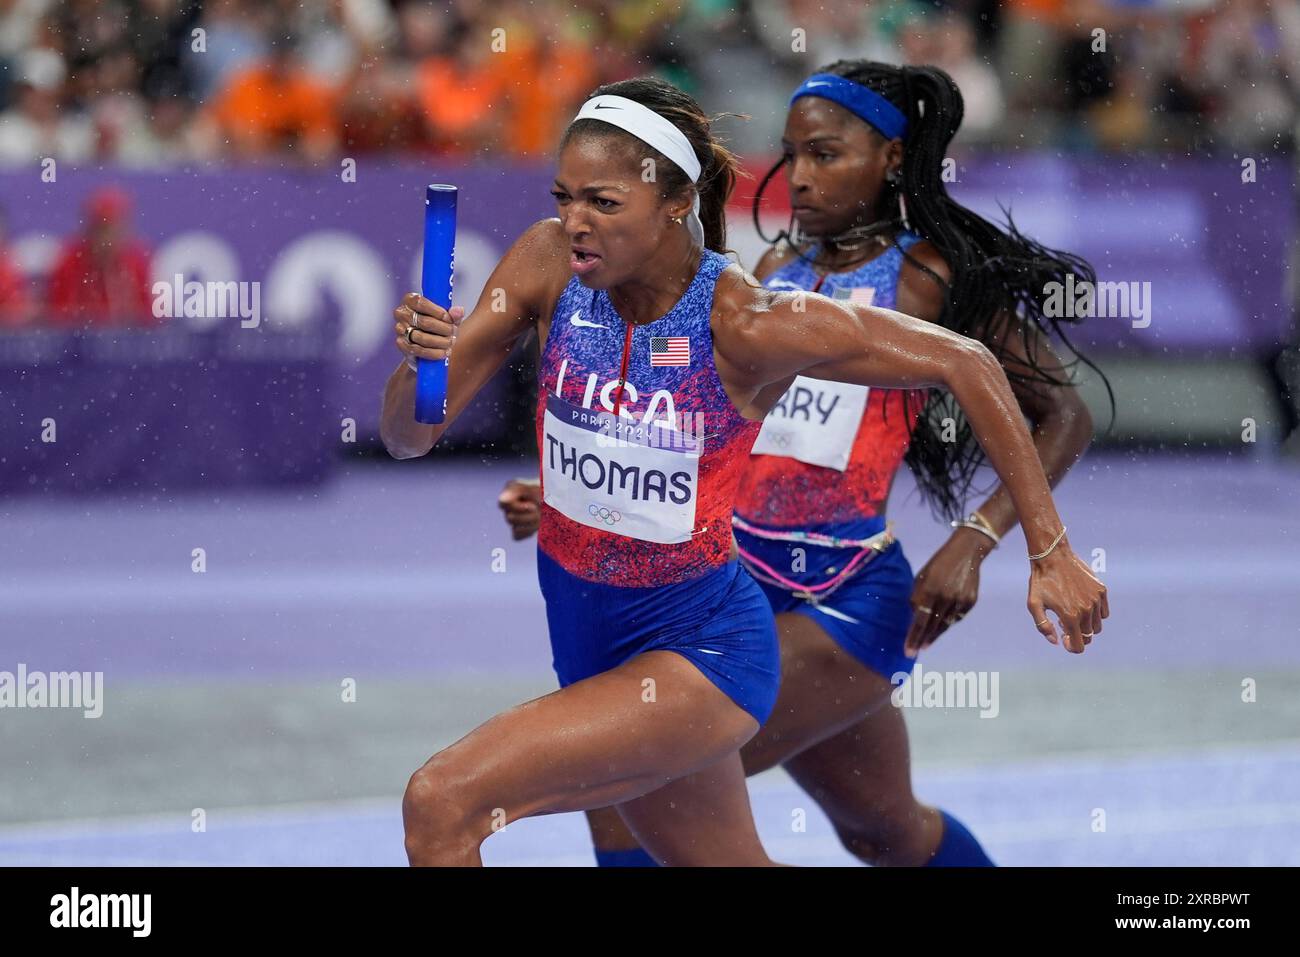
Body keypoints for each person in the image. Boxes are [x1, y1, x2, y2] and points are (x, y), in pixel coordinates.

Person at [385, 75, 1108, 867]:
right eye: (564, 197)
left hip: (759, 629)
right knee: (879, 830)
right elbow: (411, 437)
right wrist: (427, 374)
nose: (574, 222)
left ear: (674, 200)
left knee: (446, 800)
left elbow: (975, 364)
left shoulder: (766, 315)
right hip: (677, 600)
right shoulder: (569, 260)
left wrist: (1029, 546)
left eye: (602, 202)